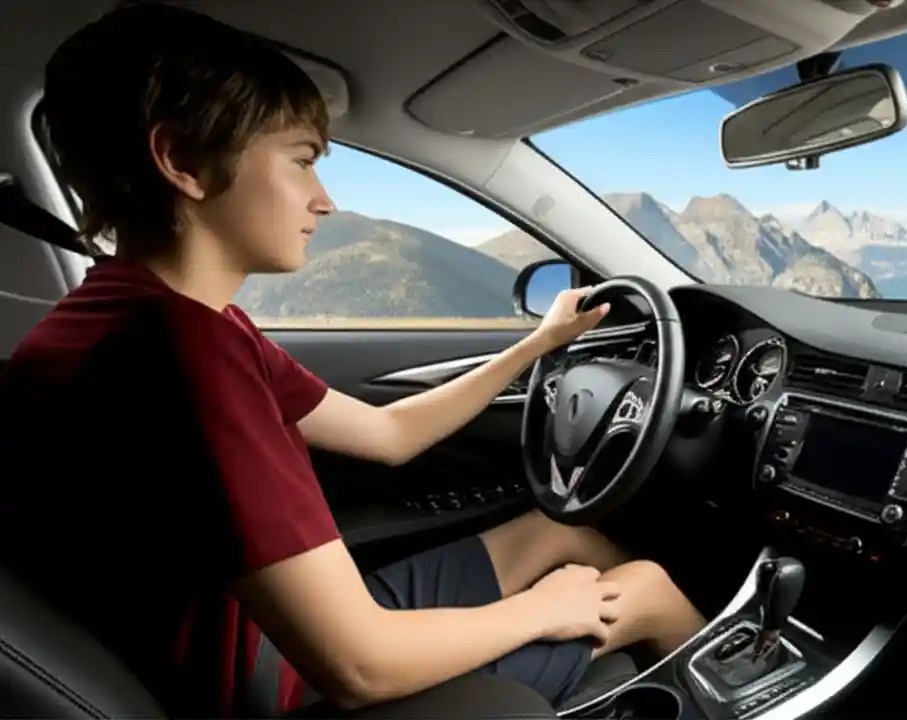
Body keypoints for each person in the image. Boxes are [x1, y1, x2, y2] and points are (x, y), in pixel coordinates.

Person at [0, 2, 705, 717]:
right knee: (641, 587)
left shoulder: (137, 316)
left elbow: (388, 434)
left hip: (261, 638)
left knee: (562, 532)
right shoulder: (185, 359)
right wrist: (545, 612)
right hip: (272, 689)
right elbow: (360, 667)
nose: (325, 200)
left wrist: (537, 345)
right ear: (182, 160)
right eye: (302, 161)